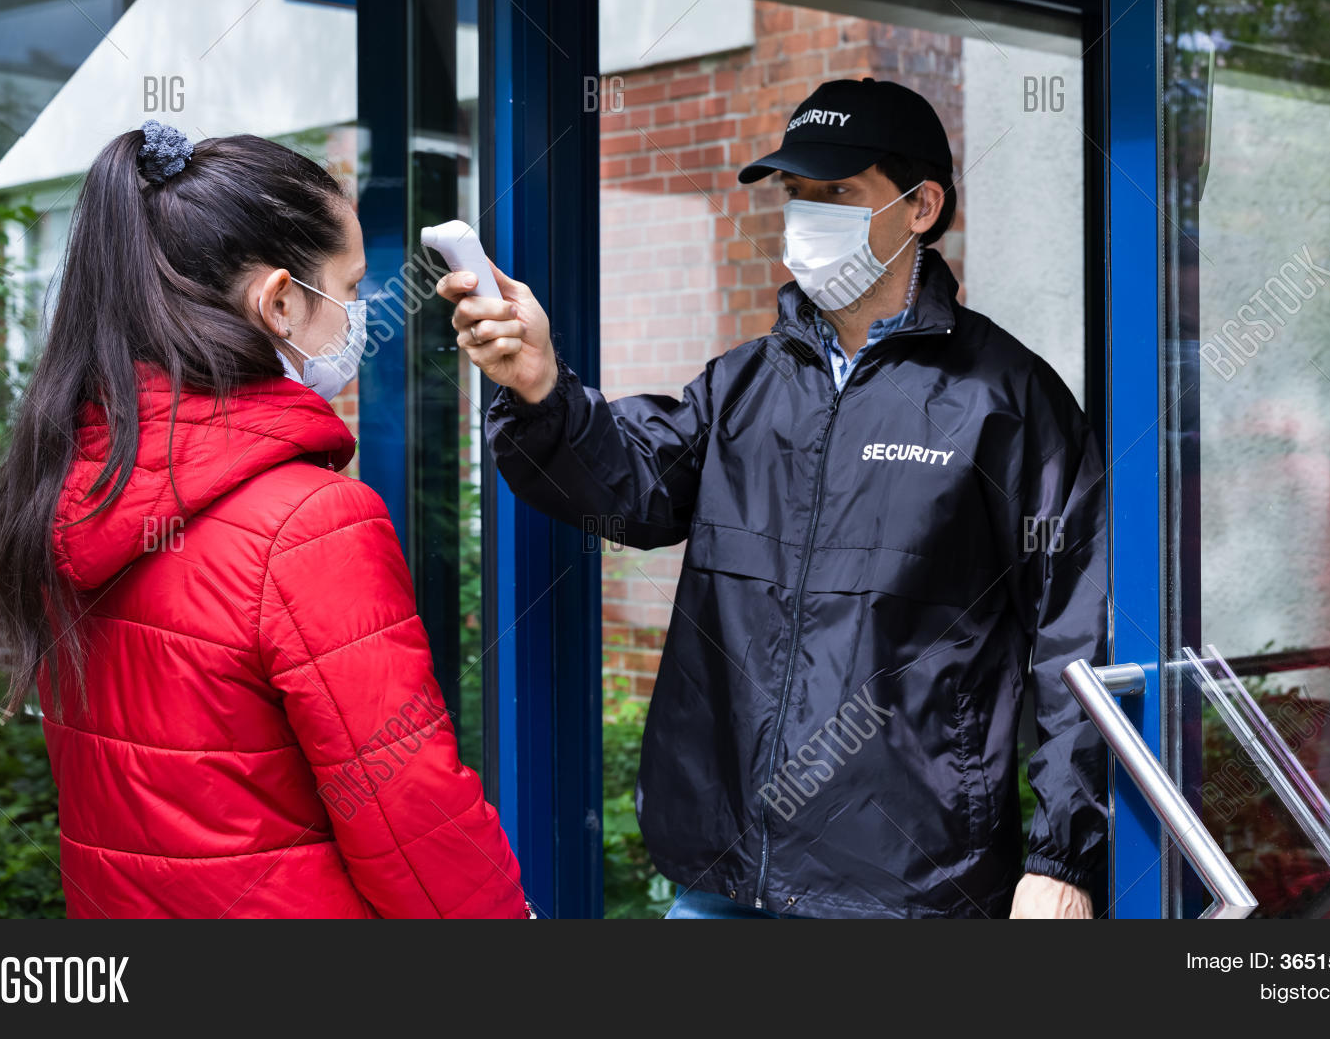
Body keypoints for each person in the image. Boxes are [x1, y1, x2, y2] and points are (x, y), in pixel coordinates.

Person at [439, 78, 1109, 919]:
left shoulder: (1006, 400)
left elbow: (1080, 637)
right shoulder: (743, 384)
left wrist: (1063, 858)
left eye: (838, 193)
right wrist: (541, 387)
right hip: (723, 874)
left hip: (909, 888)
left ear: (921, 206)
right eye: (797, 193)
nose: (807, 217)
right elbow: (630, 490)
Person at [0, 122, 527, 919]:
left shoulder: (68, 486)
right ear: (280, 301)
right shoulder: (309, 523)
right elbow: (409, 809)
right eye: (352, 287)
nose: (360, 313)